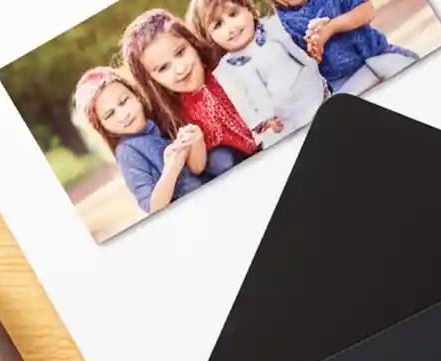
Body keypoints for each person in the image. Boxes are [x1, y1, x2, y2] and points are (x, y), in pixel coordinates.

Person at [122, 8, 258, 179]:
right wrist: (195, 143)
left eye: (180, 53)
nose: (180, 69)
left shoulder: (226, 66)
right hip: (239, 168)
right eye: (163, 68)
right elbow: (197, 168)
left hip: (271, 137)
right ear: (152, 82)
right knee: (219, 160)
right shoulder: (174, 116)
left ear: (191, 42)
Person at [186, 0, 329, 147]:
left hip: (315, 100)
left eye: (234, 14)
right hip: (285, 134)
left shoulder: (275, 26)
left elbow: (301, 52)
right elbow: (244, 107)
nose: (231, 28)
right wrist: (264, 123)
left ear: (248, 8)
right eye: (218, 25)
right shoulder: (225, 72)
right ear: (209, 38)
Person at [73, 66, 206, 214]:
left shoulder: (158, 123)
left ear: (136, 95)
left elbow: (196, 169)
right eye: (110, 114)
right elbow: (153, 207)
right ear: (102, 127)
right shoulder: (127, 152)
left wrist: (195, 141)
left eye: (124, 101)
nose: (123, 115)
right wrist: (171, 168)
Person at [271, 0, 418, 95]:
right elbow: (305, 65)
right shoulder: (281, 25)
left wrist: (330, 28)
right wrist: (315, 50)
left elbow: (367, 11)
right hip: (344, 81)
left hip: (379, 55)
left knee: (413, 79)